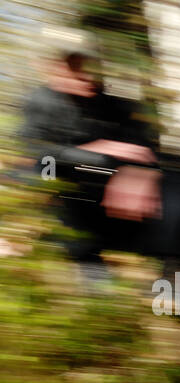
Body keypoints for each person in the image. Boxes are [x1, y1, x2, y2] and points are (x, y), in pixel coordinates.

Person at [20, 31, 164, 269]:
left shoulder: (115, 107)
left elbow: (145, 151)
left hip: (115, 206)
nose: (85, 74)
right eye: (75, 65)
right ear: (52, 68)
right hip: (63, 200)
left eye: (89, 64)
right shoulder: (38, 103)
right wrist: (98, 153)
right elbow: (38, 156)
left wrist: (139, 172)